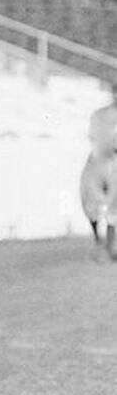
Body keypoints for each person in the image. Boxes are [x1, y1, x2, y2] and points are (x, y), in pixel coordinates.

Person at [80, 81, 117, 260]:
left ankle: (111, 247)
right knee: (90, 200)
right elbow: (94, 137)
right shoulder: (99, 115)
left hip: (115, 164)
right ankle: (98, 240)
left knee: (114, 205)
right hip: (98, 161)